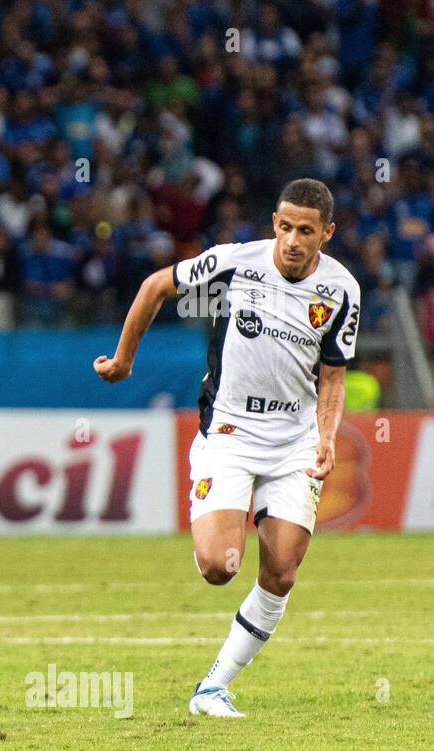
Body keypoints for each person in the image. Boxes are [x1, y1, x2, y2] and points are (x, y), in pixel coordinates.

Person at [95, 178, 360, 717]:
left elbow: (332, 378)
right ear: (274, 224)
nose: (291, 239)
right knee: (219, 566)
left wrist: (327, 437)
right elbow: (153, 286)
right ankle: (221, 523)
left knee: (282, 570)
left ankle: (212, 688)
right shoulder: (235, 263)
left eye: (305, 230)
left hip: (294, 443)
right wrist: (124, 361)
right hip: (230, 436)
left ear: (326, 234)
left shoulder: (342, 291)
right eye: (284, 226)